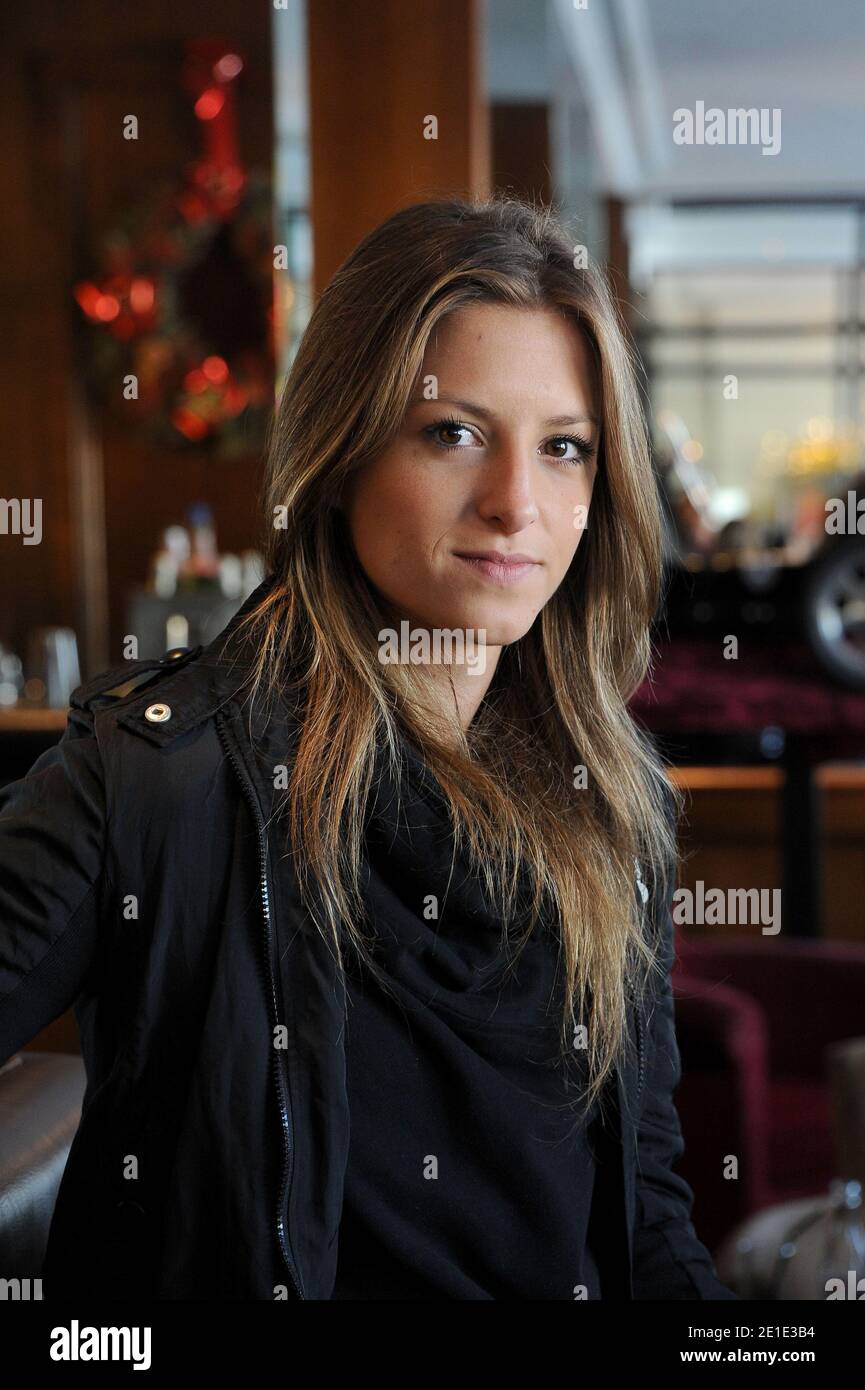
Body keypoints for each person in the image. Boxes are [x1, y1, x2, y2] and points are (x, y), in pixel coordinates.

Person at [0, 195, 737, 1300]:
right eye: (453, 433)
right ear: (342, 452)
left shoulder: (612, 800)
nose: (514, 504)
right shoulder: (158, 777)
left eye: (565, 449)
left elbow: (644, 1215)